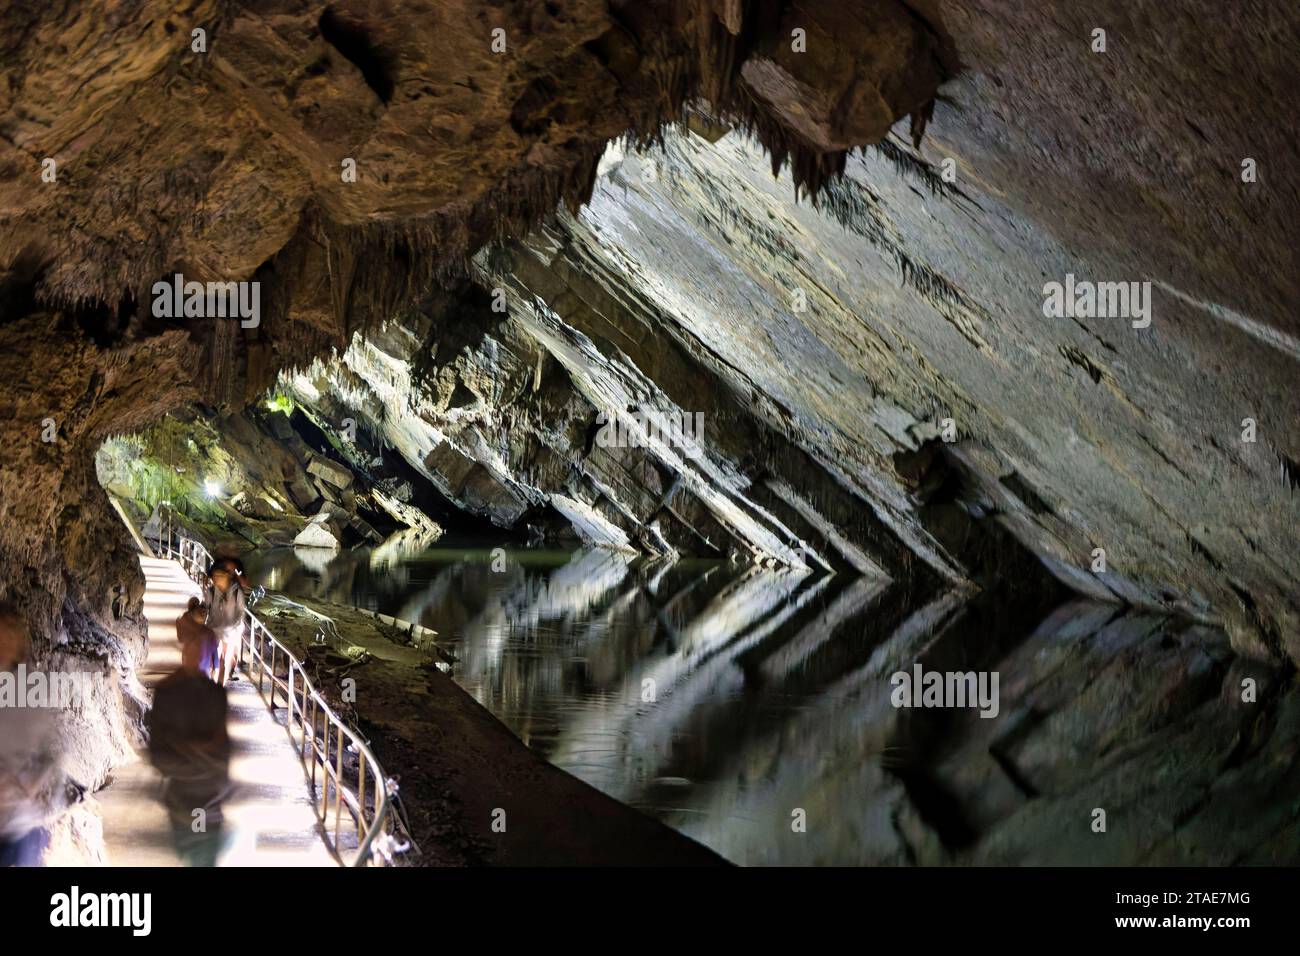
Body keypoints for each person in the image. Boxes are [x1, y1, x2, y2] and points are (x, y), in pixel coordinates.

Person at [204, 557, 249, 686]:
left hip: (230, 631)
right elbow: (205, 607)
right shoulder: (211, 592)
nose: (217, 579)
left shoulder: (236, 592)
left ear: (227, 576)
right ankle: (212, 681)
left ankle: (220, 685)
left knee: (225, 658)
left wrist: (234, 625)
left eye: (220, 576)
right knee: (213, 658)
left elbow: (241, 611)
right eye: (215, 576)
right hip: (214, 629)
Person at [175, 597, 219, 680]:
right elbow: (214, 653)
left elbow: (182, 642)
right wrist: (215, 668)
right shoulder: (209, 633)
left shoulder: (189, 630)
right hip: (204, 670)